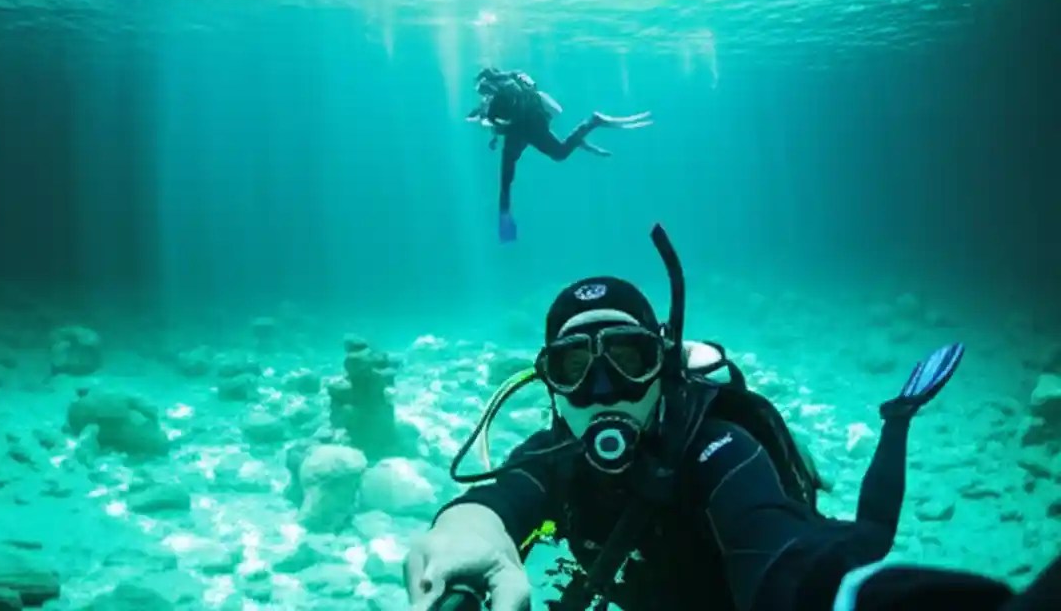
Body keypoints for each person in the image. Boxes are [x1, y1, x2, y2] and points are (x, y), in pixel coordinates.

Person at [404, 224, 968, 611]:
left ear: (662, 366)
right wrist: (463, 533)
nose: (603, 392)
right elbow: (497, 502)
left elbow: (784, 559)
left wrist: (850, 594)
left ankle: (897, 418)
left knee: (868, 537)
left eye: (628, 360)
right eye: (573, 367)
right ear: (550, 385)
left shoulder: (719, 452)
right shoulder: (552, 458)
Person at [465, 67, 654, 243]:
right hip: (535, 122)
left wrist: (486, 124)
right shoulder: (514, 84)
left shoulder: (494, 101)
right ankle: (585, 133)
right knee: (558, 153)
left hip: (520, 131)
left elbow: (495, 122)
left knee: (507, 181)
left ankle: (505, 225)